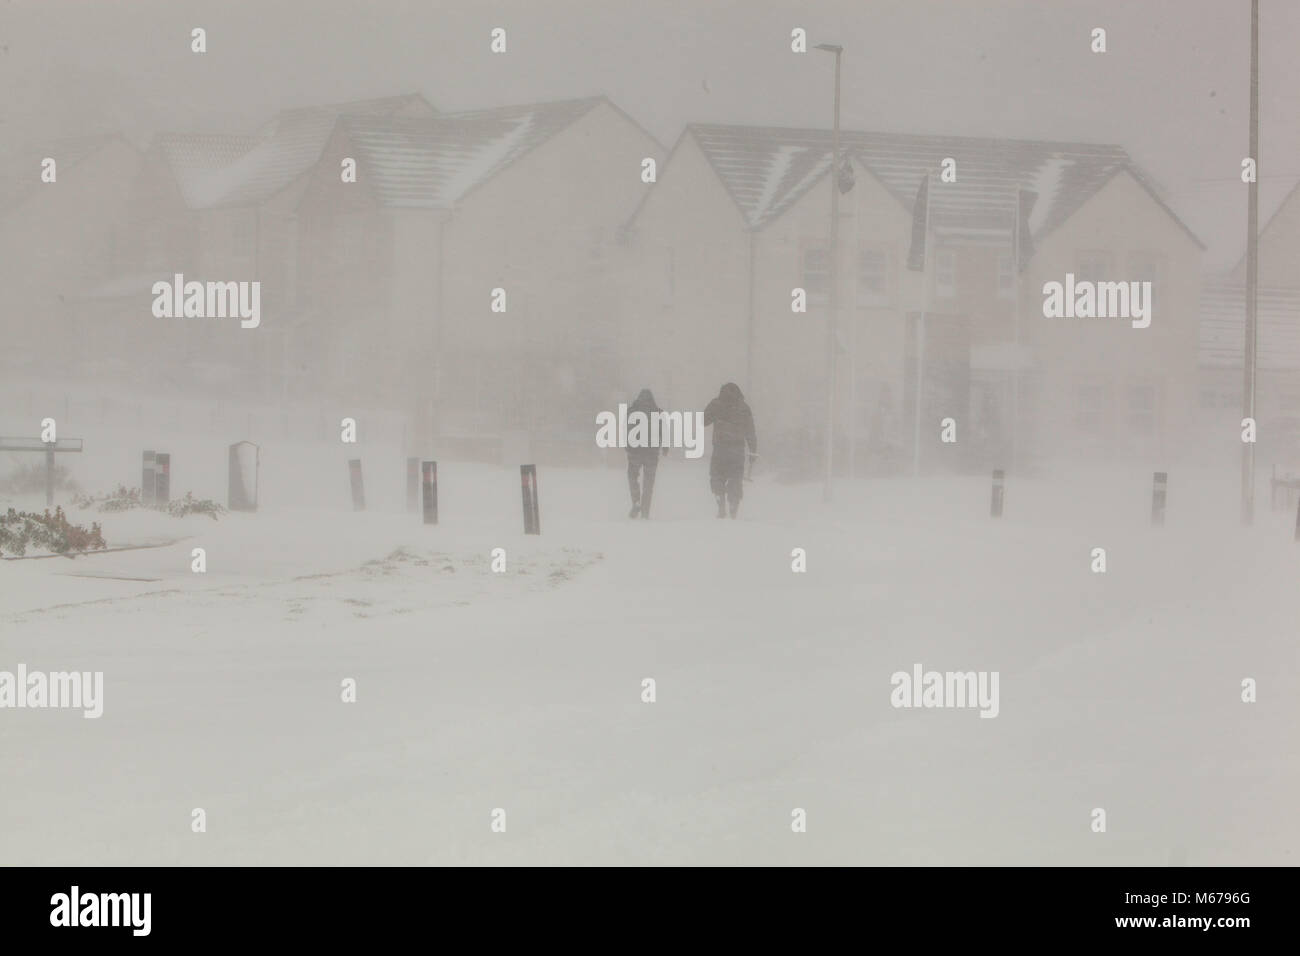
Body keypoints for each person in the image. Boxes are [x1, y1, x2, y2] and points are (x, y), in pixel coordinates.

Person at [703, 382, 757, 519]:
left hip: (720, 449)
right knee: (735, 478)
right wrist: (753, 451)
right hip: (737, 450)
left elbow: (703, 421)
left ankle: (720, 502)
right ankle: (733, 503)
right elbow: (750, 431)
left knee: (717, 476)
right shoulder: (744, 407)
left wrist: (715, 411)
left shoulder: (717, 404)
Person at [626, 388, 668, 518]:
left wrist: (627, 445)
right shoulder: (658, 413)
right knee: (649, 483)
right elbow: (664, 432)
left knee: (632, 477)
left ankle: (636, 501)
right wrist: (665, 447)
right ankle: (645, 511)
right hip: (651, 452)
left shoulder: (631, 411)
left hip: (635, 451)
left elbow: (627, 429)